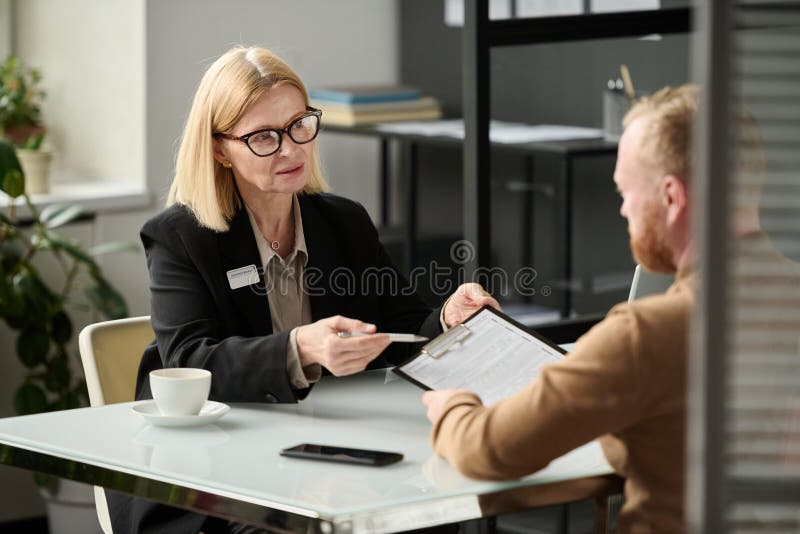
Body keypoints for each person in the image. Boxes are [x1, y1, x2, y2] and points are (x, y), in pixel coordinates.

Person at [108, 45, 492, 534]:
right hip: (210, 467)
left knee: (434, 513)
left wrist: (447, 319)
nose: (290, 149)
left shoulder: (343, 222)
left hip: (320, 448)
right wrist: (300, 349)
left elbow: (399, 326)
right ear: (220, 150)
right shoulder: (180, 236)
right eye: (264, 137)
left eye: (298, 125)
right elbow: (191, 360)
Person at [422, 84, 755, 533]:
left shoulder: (648, 333)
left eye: (626, 192)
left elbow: (489, 450)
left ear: (672, 198)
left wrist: (452, 405)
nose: (623, 211)